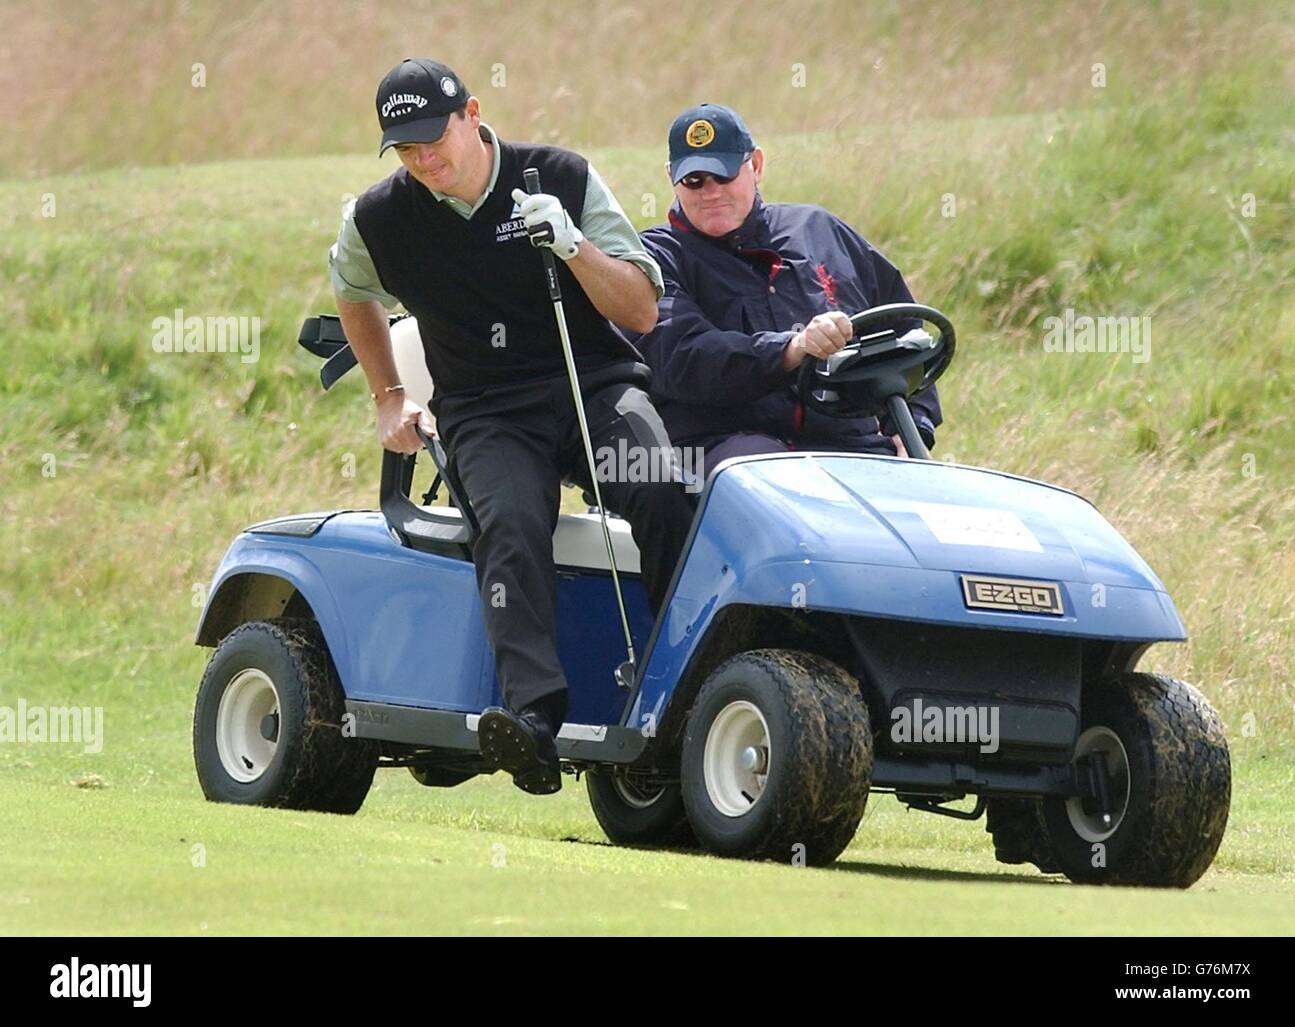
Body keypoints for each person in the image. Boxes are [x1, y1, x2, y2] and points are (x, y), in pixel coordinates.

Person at [328, 59, 695, 795]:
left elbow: (641, 311)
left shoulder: (558, 176)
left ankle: (687, 689)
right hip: (485, 410)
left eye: (434, 139)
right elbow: (350, 291)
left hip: (591, 384)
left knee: (665, 488)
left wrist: (572, 246)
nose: (424, 161)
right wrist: (389, 394)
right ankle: (532, 719)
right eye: (405, 149)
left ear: (472, 113)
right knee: (511, 522)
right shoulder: (378, 218)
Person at [636, 103, 942, 478]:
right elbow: (685, 359)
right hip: (724, 451)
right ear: (671, 177)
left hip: (848, 443)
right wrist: (790, 349)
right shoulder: (654, 258)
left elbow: (906, 334)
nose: (710, 192)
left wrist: (913, 423)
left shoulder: (820, 230)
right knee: (777, 482)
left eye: (724, 175)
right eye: (694, 181)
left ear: (757, 166)